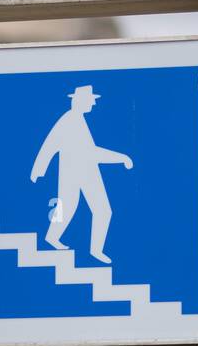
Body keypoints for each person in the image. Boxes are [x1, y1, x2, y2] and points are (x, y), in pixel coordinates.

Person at [29, 85, 132, 264]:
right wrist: (39, 170)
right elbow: (51, 145)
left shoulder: (78, 119)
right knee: (70, 207)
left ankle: (95, 250)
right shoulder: (69, 120)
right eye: (90, 100)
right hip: (74, 172)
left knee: (101, 210)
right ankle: (54, 238)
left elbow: (87, 152)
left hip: (87, 172)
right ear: (80, 101)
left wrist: (39, 169)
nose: (93, 104)